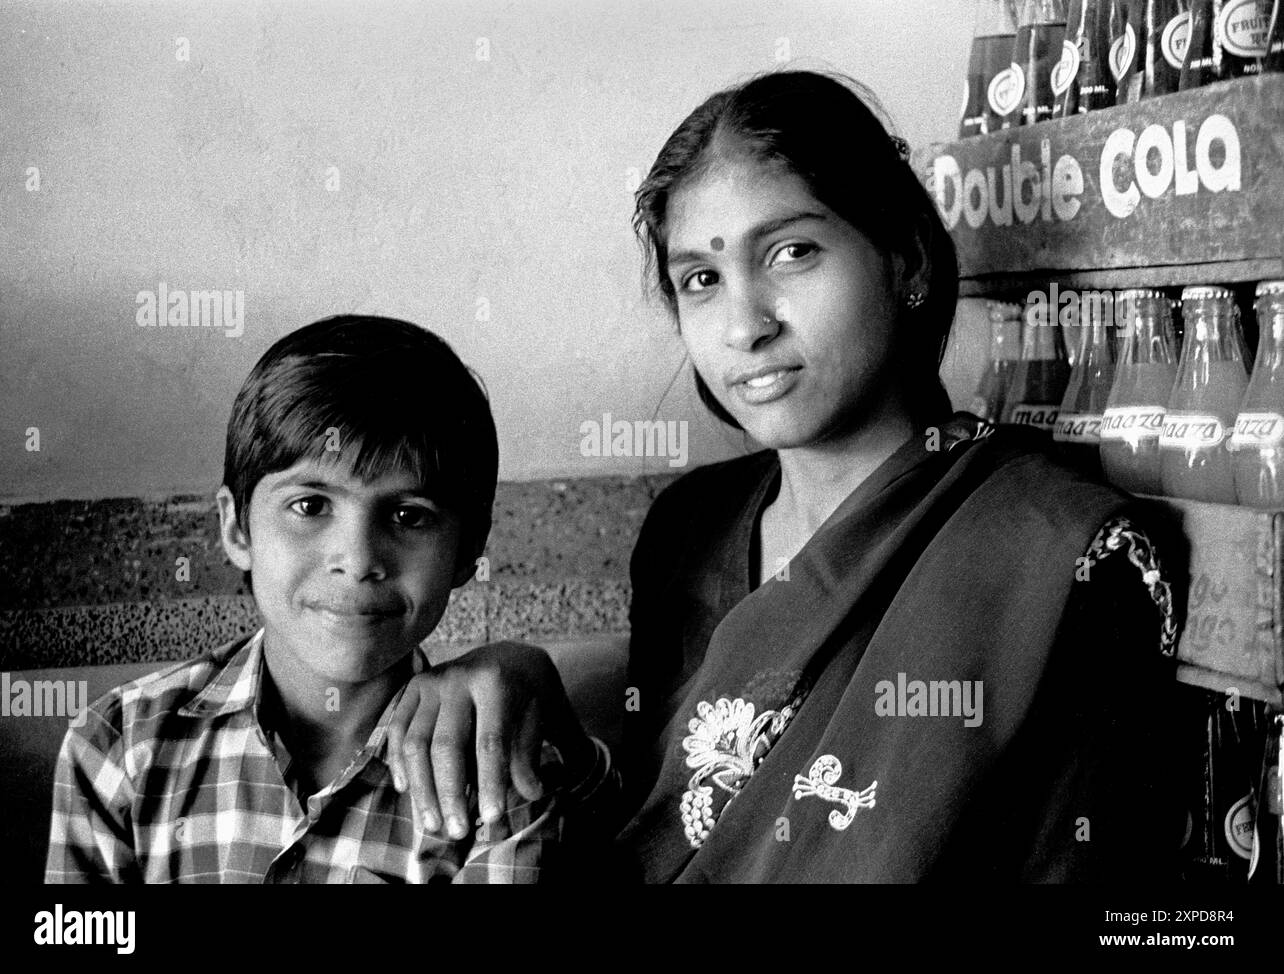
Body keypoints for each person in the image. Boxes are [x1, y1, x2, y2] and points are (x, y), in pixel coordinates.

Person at [387, 70, 1186, 882]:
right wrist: (528, 678)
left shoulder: (1053, 552)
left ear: (904, 256)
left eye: (793, 253)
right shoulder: (689, 533)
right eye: (701, 279)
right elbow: (660, 823)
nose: (745, 325)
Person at [45, 315, 612, 883]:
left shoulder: (497, 773)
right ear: (237, 528)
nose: (359, 558)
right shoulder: (120, 743)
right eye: (311, 506)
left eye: (409, 516)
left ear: (467, 552)